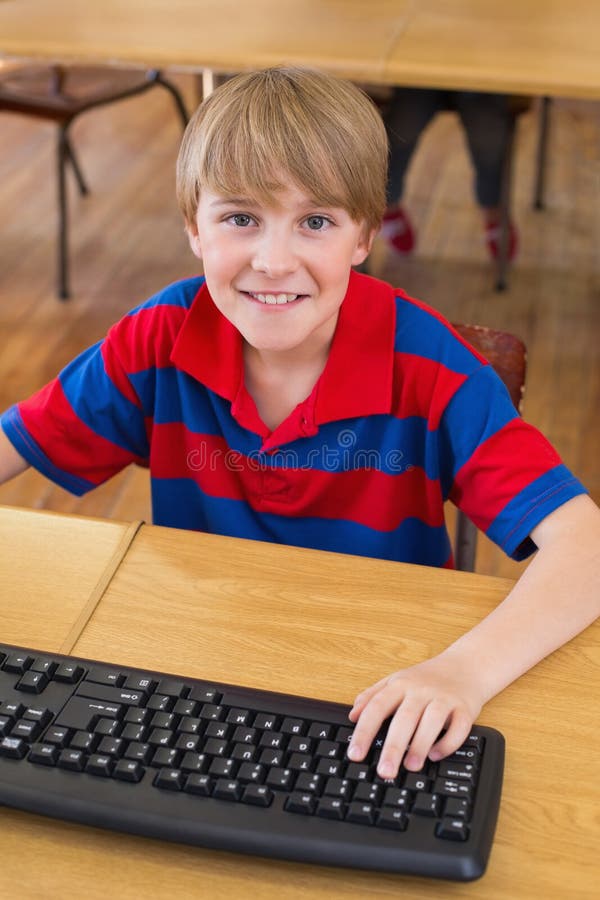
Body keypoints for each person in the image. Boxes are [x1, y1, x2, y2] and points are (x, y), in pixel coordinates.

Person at [0, 68, 598, 782]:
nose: (274, 261)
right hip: (197, 668)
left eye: (315, 221)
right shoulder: (161, 334)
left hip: (377, 685)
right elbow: (14, 441)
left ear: (363, 236)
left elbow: (584, 547)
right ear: (194, 227)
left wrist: (462, 673)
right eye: (240, 218)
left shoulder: (428, 364)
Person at [381, 87, 518, 261]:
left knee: (489, 135)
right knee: (400, 126)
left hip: (481, 77)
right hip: (420, 75)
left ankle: (494, 209)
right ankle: (388, 204)